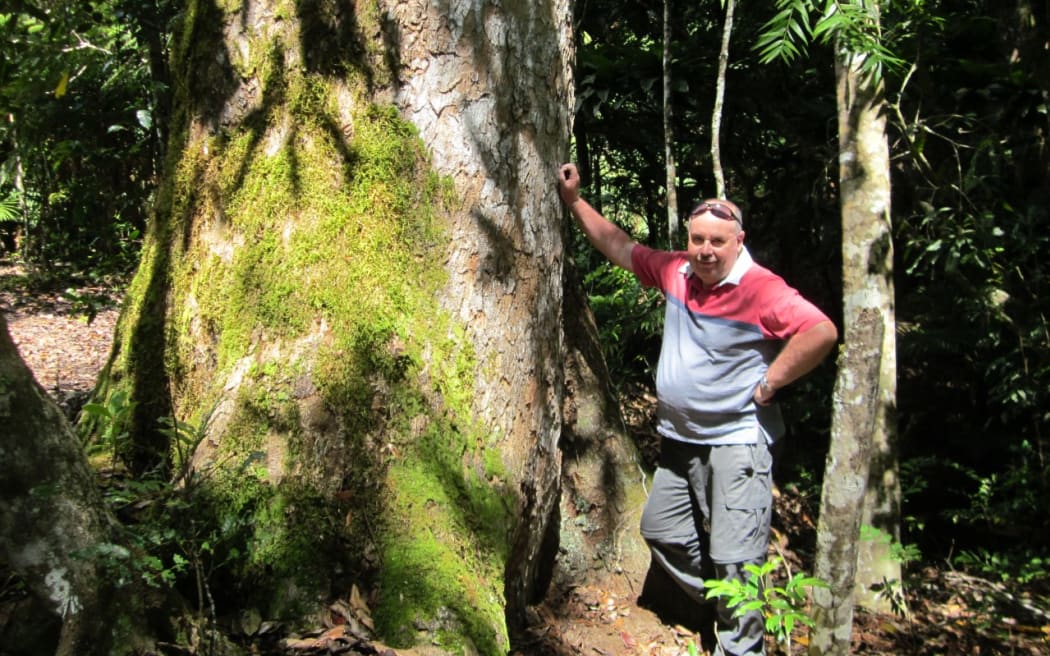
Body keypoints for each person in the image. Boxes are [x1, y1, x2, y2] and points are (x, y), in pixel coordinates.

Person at [557, 163, 838, 656]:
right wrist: (575, 200)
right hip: (682, 439)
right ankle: (720, 606)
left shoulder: (761, 288)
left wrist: (772, 381)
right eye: (698, 239)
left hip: (737, 441)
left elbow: (820, 332)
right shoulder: (678, 272)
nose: (705, 250)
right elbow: (621, 246)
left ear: (738, 241)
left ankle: (740, 647)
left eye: (717, 242)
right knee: (660, 528)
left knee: (738, 558)